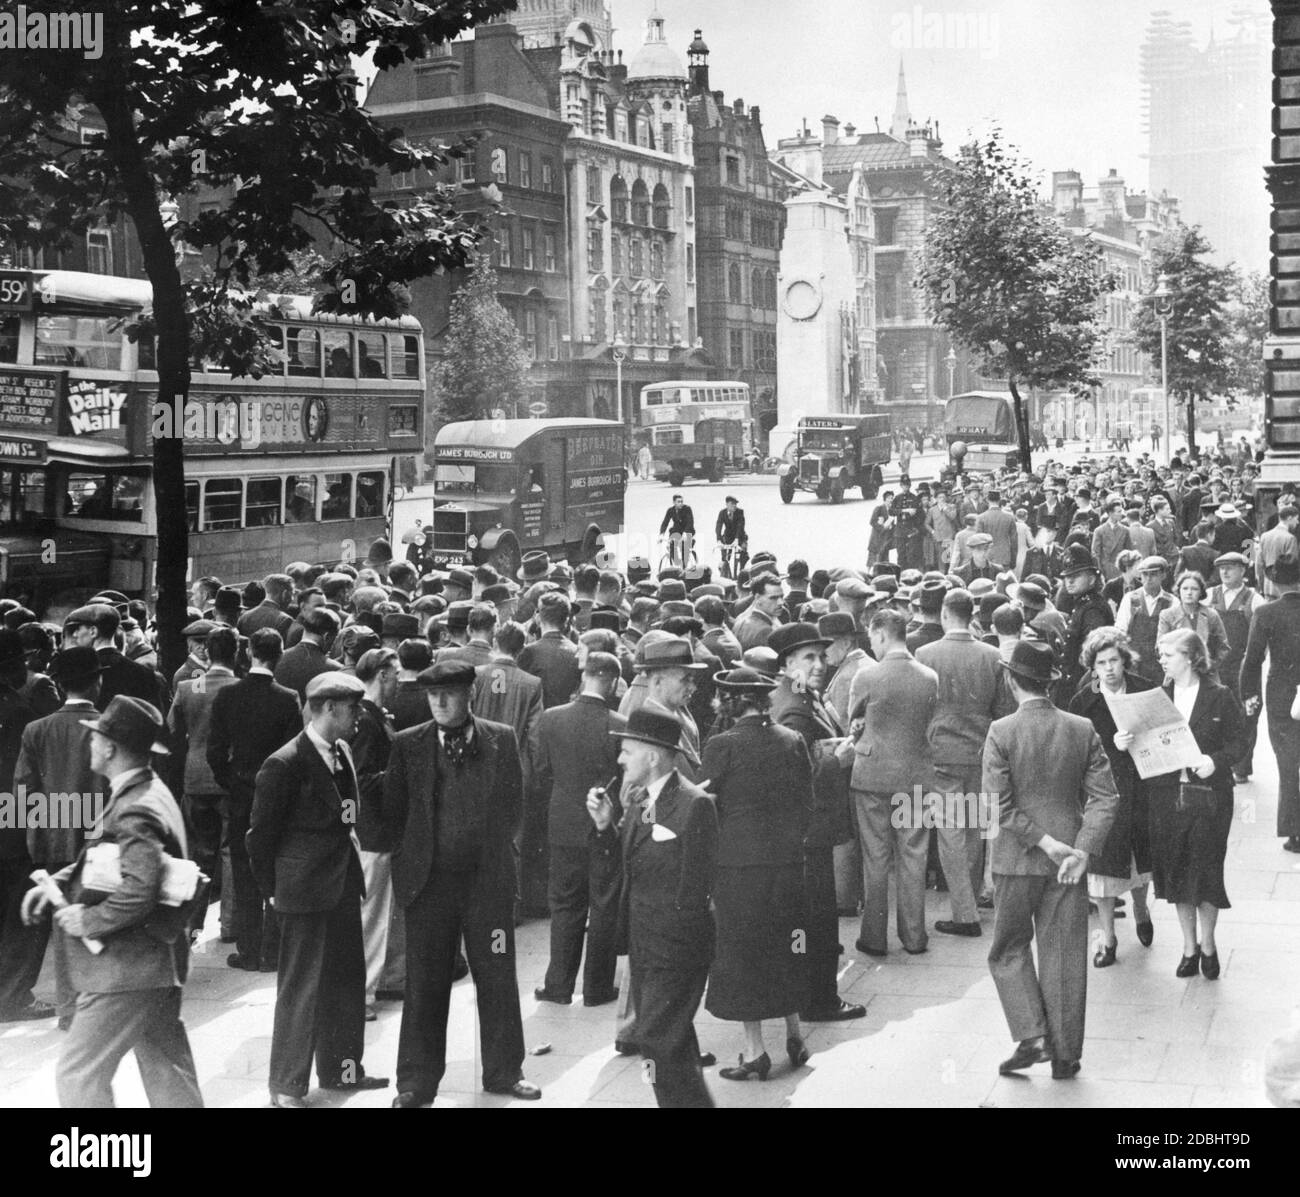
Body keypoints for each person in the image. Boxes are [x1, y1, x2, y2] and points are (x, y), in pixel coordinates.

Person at [21, 696, 204, 1107]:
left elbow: (139, 887)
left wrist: (88, 919)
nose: (90, 745)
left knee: (79, 1074)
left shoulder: (135, 807)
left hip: (126, 970)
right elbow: (112, 861)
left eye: (95, 738)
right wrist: (61, 880)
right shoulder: (146, 790)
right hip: (154, 962)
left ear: (109, 747)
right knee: (168, 1072)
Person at [379, 660, 538, 1107]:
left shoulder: (500, 738)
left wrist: (497, 860)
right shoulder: (409, 744)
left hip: (487, 886)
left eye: (448, 694)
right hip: (429, 888)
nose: (440, 703)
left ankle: (506, 1072)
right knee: (425, 984)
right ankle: (415, 1083)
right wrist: (407, 864)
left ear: (469, 693)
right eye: (433, 696)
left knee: (498, 977)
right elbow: (394, 812)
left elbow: (514, 805)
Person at [248, 671, 388, 1107]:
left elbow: (346, 812)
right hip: (303, 894)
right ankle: (286, 1087)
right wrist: (273, 892)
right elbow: (259, 838)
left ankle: (343, 1072)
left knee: (347, 984)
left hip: (341, 886)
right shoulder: (283, 763)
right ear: (328, 709)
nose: (360, 718)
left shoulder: (342, 752)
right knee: (301, 992)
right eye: (353, 709)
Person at [984, 641, 1118, 1080]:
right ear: (1051, 683)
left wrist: (1041, 841)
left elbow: (997, 806)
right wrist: (1080, 848)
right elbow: (1105, 797)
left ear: (1010, 679)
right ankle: (1065, 1055)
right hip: (1070, 863)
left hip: (1015, 860)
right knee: (1064, 953)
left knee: (1008, 948)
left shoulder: (1001, 732)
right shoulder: (1081, 728)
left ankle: (1031, 1035)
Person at [587, 707, 719, 1108]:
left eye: (627, 751)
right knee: (668, 1043)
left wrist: (677, 944)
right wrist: (605, 826)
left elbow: (701, 885)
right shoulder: (640, 800)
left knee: (658, 1040)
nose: (620, 759)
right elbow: (627, 867)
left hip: (676, 947)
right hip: (645, 944)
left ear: (653, 756)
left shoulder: (695, 805)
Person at [702, 667, 812, 1080]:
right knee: (786, 945)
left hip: (738, 866)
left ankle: (754, 1051)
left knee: (743, 952)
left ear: (731, 702)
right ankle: (795, 1035)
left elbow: (705, 807)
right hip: (786, 864)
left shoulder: (721, 745)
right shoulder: (792, 740)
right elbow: (807, 802)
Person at [769, 622, 865, 1023]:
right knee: (816, 919)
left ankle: (811, 993)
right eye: (809, 657)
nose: (820, 663)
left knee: (814, 918)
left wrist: (843, 740)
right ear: (788, 662)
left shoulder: (803, 697)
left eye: (822, 656)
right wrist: (837, 759)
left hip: (812, 828)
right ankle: (819, 1000)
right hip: (808, 829)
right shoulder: (793, 707)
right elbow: (790, 772)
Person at [1141, 630, 1246, 981]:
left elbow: (1240, 742)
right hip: (1168, 795)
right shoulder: (1157, 698)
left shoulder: (1219, 695)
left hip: (1209, 797)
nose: (1162, 660)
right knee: (1177, 870)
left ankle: (1209, 944)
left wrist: (1215, 761)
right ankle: (1188, 946)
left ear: (1189, 656)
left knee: (1207, 871)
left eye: (1168, 654)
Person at [916, 589, 1012, 937]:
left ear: (944, 613)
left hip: (940, 753)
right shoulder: (994, 655)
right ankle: (969, 901)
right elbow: (1003, 711)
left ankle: (964, 912)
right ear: (972, 615)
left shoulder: (925, 654)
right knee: (973, 830)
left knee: (949, 832)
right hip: (980, 751)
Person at [533, 652, 625, 1007]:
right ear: (614, 682)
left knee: (565, 905)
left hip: (562, 823)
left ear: (584, 676)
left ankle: (558, 985)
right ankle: (597, 987)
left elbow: (541, 771)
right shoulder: (619, 722)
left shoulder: (551, 718)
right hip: (602, 824)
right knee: (603, 905)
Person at [207, 628, 302, 972]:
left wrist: (231, 782)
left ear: (248, 651)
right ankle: (273, 951)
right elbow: (293, 753)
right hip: (276, 798)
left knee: (244, 871)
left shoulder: (228, 696)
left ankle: (248, 949)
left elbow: (215, 751)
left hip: (241, 795)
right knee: (274, 870)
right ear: (278, 655)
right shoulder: (288, 698)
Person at [847, 607, 937, 957]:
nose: (872, 643)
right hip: (916, 776)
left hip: (872, 777)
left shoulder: (867, 676)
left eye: (872, 636)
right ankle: (914, 937)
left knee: (876, 858)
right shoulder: (929, 676)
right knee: (914, 855)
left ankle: (874, 937)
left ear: (881, 634)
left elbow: (851, 719)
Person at [1067, 628, 1155, 967]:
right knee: (1102, 868)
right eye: (1101, 662)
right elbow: (1077, 750)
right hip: (1103, 793)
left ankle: (1141, 907)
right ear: (1092, 666)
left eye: (1114, 660)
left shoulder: (1145, 689)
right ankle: (1108, 938)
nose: (1108, 668)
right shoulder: (1083, 701)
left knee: (1138, 860)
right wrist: (1108, 746)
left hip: (1141, 787)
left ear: (1124, 660)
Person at [1241, 556, 1300, 852]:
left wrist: (1250, 698)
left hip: (1282, 695)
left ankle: (1294, 831)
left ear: (1274, 582)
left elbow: (1252, 662)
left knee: (1288, 763)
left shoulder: (1265, 613)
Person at [1207, 552, 1266, 782]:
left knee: (1246, 715)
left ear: (1243, 570)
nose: (1225, 572)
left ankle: (1241, 768)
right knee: (1215, 715)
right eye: (1221, 568)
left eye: (1231, 567)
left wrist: (1253, 663)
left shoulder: (1254, 599)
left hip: (1243, 667)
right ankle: (1218, 765)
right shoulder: (1209, 596)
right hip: (1216, 667)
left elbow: (1263, 639)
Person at [1157, 571, 1229, 682]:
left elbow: (1223, 647)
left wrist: (1209, 666)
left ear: (1201, 592)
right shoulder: (1167, 615)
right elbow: (1159, 646)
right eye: (1185, 588)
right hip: (1176, 674)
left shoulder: (1211, 615)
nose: (1189, 593)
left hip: (1207, 676)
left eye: (1194, 589)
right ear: (1178, 590)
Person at [1114, 557, 1176, 685]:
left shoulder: (1172, 602)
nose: (1148, 578)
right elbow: (1120, 631)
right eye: (1145, 574)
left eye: (1153, 574)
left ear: (1163, 575)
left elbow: (1177, 637)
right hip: (1134, 664)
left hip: (1160, 665)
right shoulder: (1131, 599)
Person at [715, 495, 748, 577]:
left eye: (735, 504)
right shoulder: (722, 513)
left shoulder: (740, 512)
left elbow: (740, 526)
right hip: (728, 536)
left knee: (743, 552)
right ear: (727, 504)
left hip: (740, 536)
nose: (734, 506)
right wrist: (718, 540)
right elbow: (718, 526)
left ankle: (742, 570)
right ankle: (725, 569)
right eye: (732, 504)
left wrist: (737, 539)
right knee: (725, 555)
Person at [659, 493, 696, 568]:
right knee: (671, 546)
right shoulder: (670, 510)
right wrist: (661, 534)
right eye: (678, 502)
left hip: (687, 530)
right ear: (674, 502)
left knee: (684, 547)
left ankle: (684, 568)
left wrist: (685, 533)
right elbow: (665, 522)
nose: (681, 503)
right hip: (676, 530)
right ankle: (676, 563)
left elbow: (690, 522)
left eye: (682, 501)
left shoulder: (687, 509)